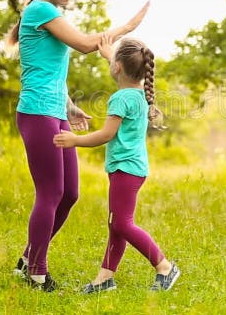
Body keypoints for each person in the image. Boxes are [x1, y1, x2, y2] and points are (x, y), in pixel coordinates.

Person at [6, 0, 150, 292]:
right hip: (37, 113)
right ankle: (36, 272)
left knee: (70, 192)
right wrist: (129, 27)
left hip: (55, 111)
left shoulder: (51, 11)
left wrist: (69, 106)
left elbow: (47, 70)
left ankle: (28, 258)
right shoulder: (40, 9)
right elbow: (87, 45)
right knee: (51, 191)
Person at [54, 34, 180, 293]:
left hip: (125, 169)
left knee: (122, 223)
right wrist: (111, 54)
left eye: (114, 60)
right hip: (132, 169)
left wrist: (74, 140)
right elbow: (124, 62)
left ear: (118, 67)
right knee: (116, 223)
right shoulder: (139, 95)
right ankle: (105, 278)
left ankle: (165, 266)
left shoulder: (121, 99)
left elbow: (105, 135)